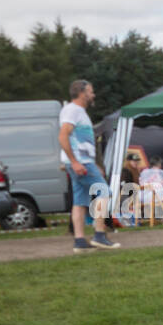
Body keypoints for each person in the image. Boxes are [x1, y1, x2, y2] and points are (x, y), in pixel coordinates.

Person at [58, 79, 120, 252]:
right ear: (82, 93)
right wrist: (75, 161)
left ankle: (79, 241)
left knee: (79, 201)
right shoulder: (72, 110)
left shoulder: (78, 112)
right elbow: (63, 136)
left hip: (82, 162)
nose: (93, 95)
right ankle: (99, 235)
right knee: (104, 191)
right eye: (91, 91)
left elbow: (77, 140)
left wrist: (89, 163)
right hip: (80, 163)